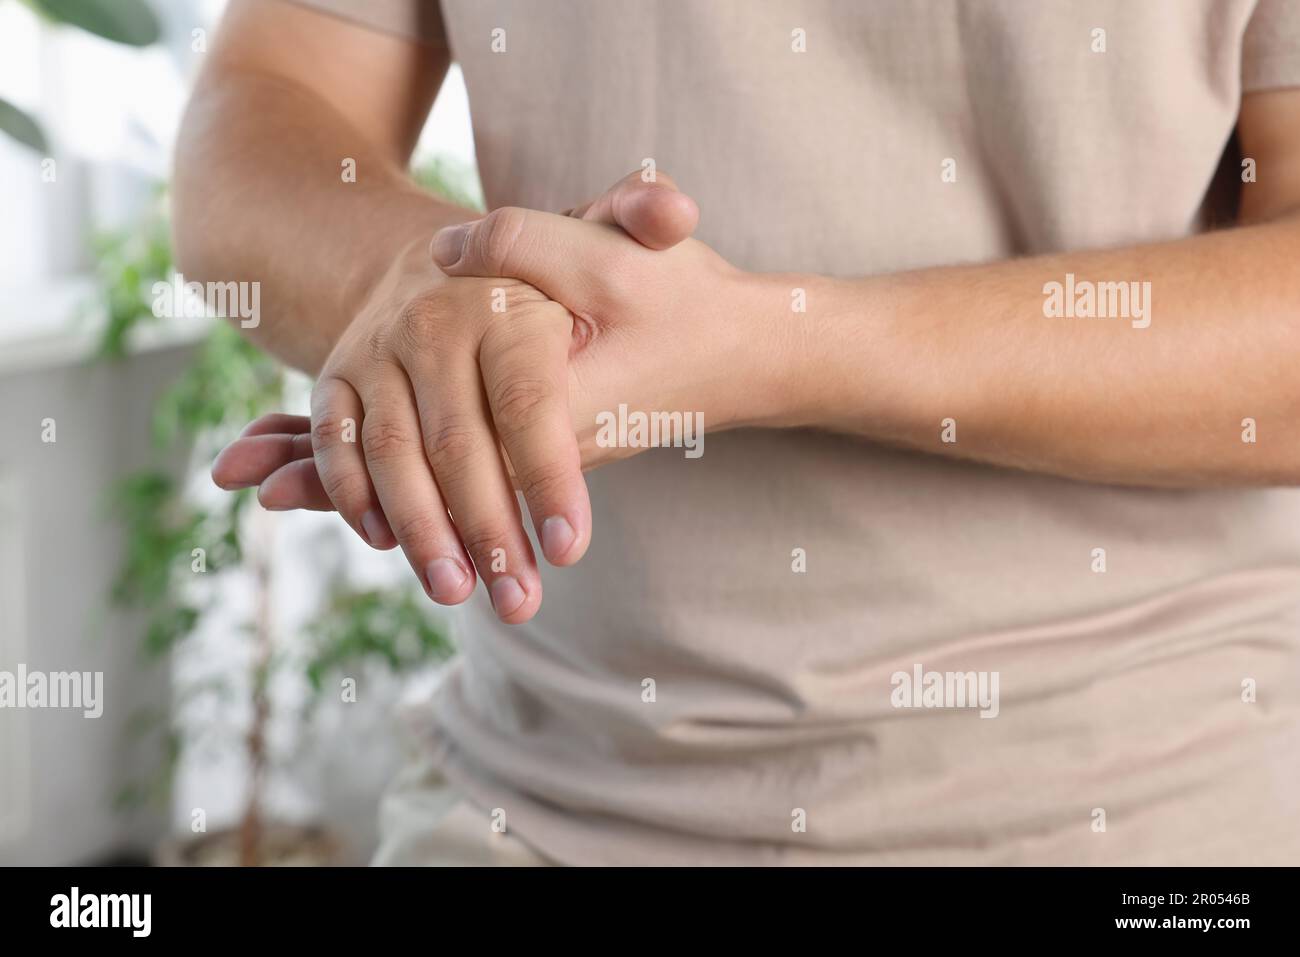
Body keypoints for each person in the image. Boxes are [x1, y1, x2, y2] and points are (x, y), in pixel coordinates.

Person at [186, 0, 1300, 865]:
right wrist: (449, 310)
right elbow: (264, 104)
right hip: (533, 807)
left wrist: (781, 345)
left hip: (1149, 816)